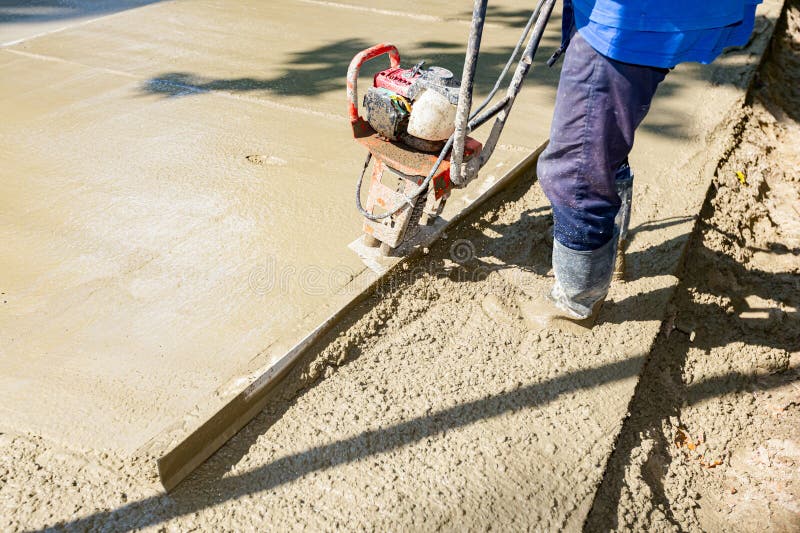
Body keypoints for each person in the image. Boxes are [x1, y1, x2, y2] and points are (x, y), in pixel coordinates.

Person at [525, 0, 763, 331]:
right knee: (602, 139)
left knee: (575, 168)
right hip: (662, 14)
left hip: (632, 19)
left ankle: (576, 302)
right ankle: (608, 252)